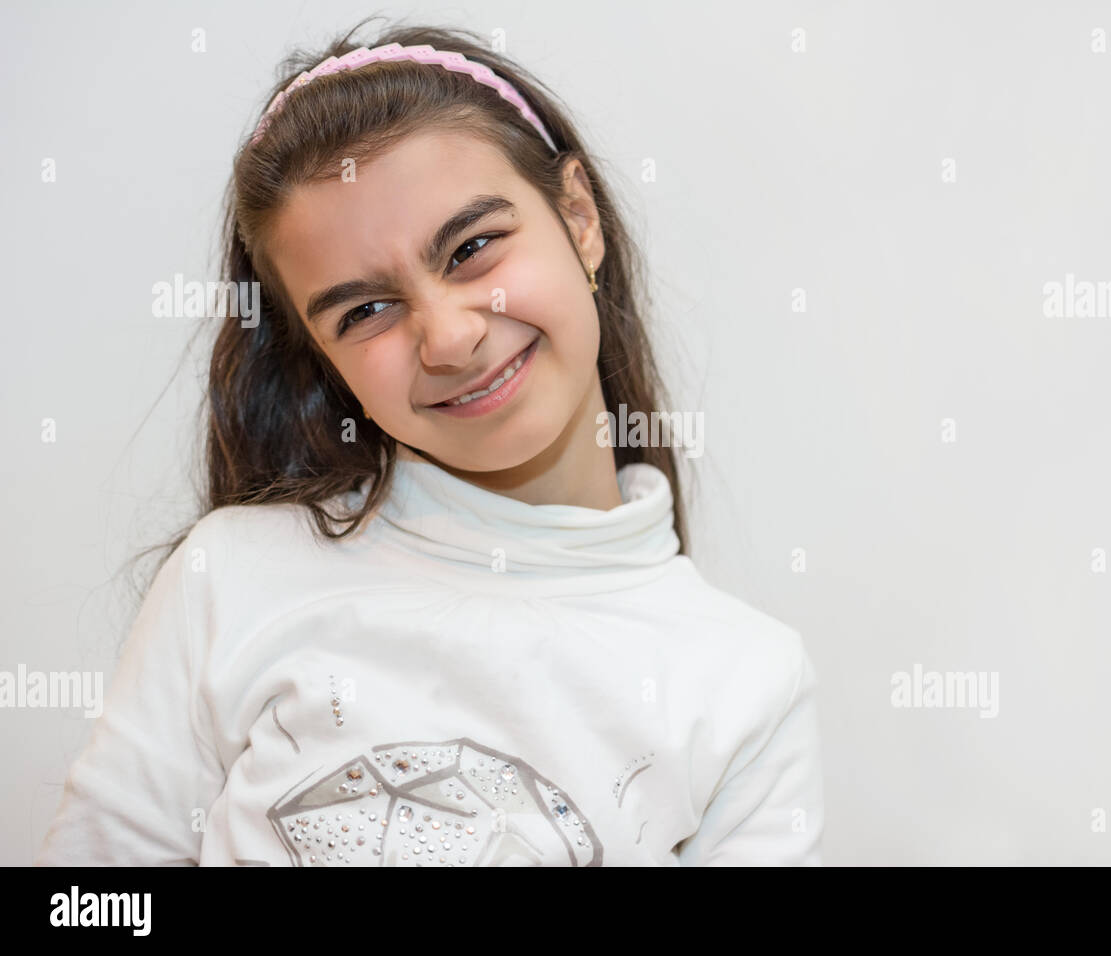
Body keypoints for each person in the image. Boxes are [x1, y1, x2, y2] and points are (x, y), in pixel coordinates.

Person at [36, 18, 824, 867]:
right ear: (327, 362)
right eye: (364, 311)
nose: (447, 338)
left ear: (579, 216)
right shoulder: (230, 576)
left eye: (473, 248)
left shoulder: (747, 679)